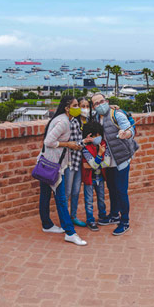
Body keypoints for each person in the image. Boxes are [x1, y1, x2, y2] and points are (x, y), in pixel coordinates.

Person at [38, 96, 89, 245]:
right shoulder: (64, 122)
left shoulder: (62, 119)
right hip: (54, 165)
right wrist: (68, 144)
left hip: (46, 163)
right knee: (61, 199)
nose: (78, 108)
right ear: (67, 108)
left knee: (45, 194)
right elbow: (48, 141)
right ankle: (70, 232)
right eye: (75, 105)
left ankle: (47, 224)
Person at [91, 92, 136, 236]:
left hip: (121, 159)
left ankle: (125, 221)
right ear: (93, 107)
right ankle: (114, 215)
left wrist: (125, 134)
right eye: (96, 103)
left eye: (101, 101)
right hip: (107, 161)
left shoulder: (116, 114)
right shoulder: (95, 118)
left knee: (121, 190)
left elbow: (130, 129)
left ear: (106, 101)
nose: (100, 105)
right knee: (112, 188)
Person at [64, 97, 90, 228]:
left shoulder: (88, 121)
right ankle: (64, 219)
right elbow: (74, 145)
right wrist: (85, 142)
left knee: (75, 191)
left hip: (80, 162)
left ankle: (73, 216)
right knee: (67, 192)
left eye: (87, 106)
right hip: (71, 162)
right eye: (82, 106)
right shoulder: (73, 122)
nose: (85, 109)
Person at [80, 120, 109, 231]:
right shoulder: (86, 149)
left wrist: (94, 164)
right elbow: (94, 165)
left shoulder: (103, 144)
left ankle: (102, 216)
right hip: (89, 179)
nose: (98, 138)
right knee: (89, 201)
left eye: (99, 135)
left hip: (100, 178)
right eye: (95, 136)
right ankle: (90, 220)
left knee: (101, 199)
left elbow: (106, 163)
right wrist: (100, 154)